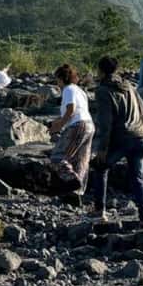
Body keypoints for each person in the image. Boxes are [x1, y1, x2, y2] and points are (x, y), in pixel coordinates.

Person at [90, 55, 143, 231]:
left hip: (122, 139)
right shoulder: (130, 87)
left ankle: (100, 212)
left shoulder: (103, 91)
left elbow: (105, 122)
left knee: (100, 167)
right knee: (137, 178)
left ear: (101, 71)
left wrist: (102, 148)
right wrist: (140, 128)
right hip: (142, 138)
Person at [49, 64, 95, 197]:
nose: (57, 83)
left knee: (58, 157)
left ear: (62, 78)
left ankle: (72, 180)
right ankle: (76, 194)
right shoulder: (80, 91)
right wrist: (56, 123)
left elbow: (71, 109)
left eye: (57, 79)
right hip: (89, 125)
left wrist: (59, 126)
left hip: (78, 125)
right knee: (81, 160)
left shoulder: (68, 89)